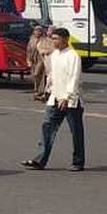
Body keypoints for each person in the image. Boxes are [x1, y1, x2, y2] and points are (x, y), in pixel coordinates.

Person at [22, 27, 85, 172]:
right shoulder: (55, 54)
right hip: (55, 98)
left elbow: (74, 78)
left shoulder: (73, 56)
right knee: (47, 127)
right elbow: (52, 74)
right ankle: (40, 160)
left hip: (70, 101)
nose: (53, 41)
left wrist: (67, 97)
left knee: (76, 132)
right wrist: (48, 90)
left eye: (56, 39)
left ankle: (78, 161)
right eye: (53, 38)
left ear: (65, 39)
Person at [27, 25, 51, 102]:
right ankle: (36, 91)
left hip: (41, 59)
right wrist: (28, 60)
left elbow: (48, 49)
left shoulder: (44, 39)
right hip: (33, 59)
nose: (38, 32)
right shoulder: (32, 39)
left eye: (39, 31)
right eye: (36, 31)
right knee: (35, 75)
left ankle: (41, 91)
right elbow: (28, 50)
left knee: (37, 73)